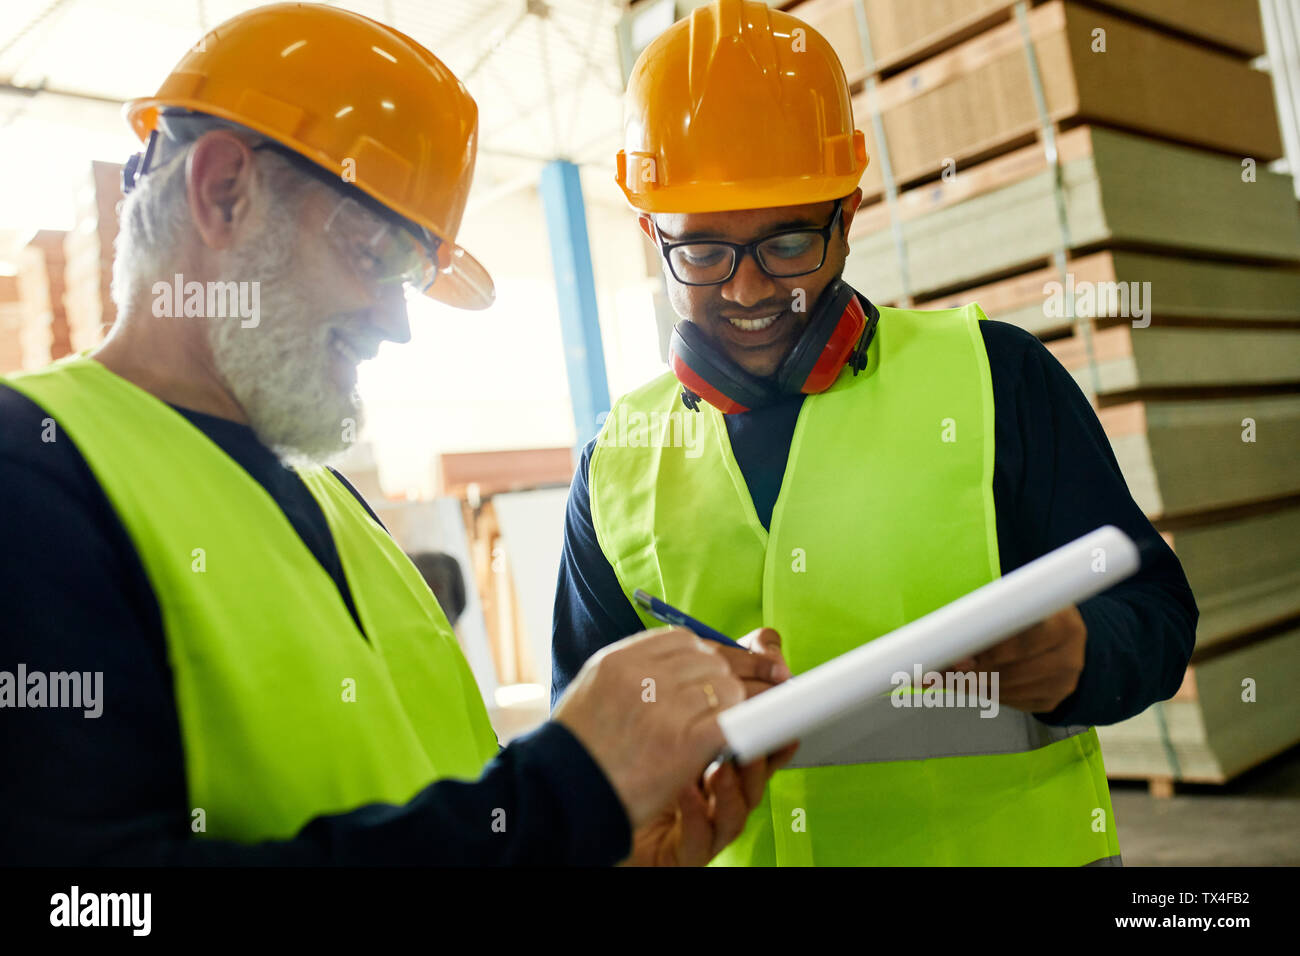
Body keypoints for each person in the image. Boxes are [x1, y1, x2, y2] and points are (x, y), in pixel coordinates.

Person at [0, 3, 791, 866]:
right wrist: (565, 793)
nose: (397, 325)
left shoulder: (336, 506)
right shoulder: (31, 475)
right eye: (378, 258)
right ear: (223, 190)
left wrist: (599, 844)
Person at [551, 0, 1198, 866]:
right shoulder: (615, 464)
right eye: (701, 252)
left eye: (786, 244)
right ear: (649, 233)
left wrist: (1085, 655)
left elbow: (1155, 615)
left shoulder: (994, 377)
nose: (746, 292)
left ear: (847, 216)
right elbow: (585, 743)